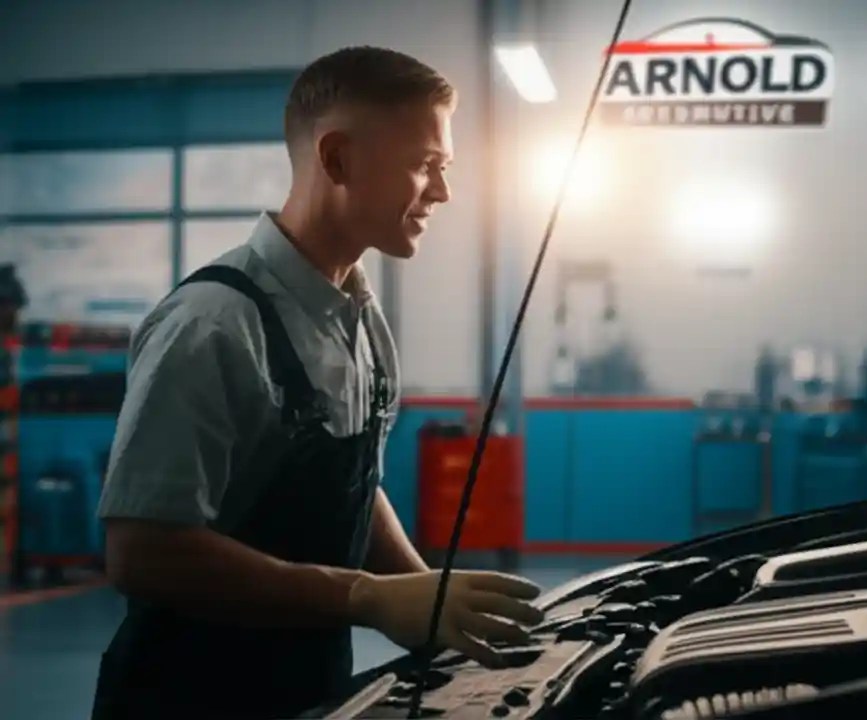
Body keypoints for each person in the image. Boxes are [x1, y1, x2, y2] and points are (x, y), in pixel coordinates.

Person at [92, 47, 545, 720]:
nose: (443, 193)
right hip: (185, 698)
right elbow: (143, 553)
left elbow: (353, 486)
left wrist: (424, 596)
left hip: (307, 694)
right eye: (427, 165)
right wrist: (367, 597)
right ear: (337, 159)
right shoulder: (213, 325)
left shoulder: (361, 320)